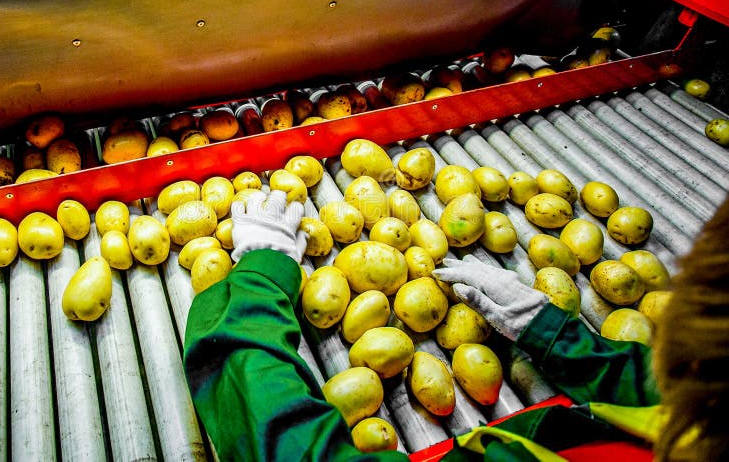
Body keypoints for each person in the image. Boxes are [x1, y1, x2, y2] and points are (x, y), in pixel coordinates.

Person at [183, 190, 729, 461]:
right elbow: (675, 394)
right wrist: (551, 332)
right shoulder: (704, 417)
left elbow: (277, 444)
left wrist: (259, 274)